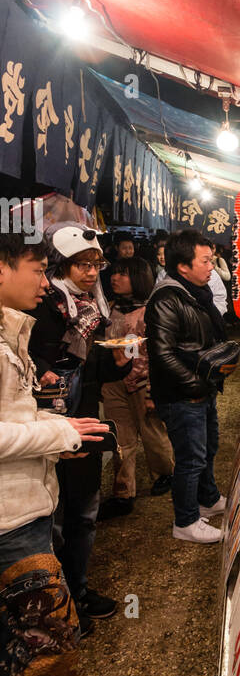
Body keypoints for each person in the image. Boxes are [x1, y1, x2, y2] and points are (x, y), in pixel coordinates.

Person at [0, 230, 108, 676]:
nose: (46, 282)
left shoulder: (11, 332)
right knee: (36, 627)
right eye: (38, 271)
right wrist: (55, 431)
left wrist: (47, 416)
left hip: (24, 501)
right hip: (8, 515)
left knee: (32, 626)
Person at [28, 225, 131, 629]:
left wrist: (118, 361)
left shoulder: (89, 307)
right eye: (80, 264)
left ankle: (80, 590)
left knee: (85, 510)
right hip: (46, 425)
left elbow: (92, 369)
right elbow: (31, 363)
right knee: (51, 514)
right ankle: (58, 606)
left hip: (83, 417)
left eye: (94, 264)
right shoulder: (39, 306)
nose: (91, 272)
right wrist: (44, 371)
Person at [145, 229, 228, 545]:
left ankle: (208, 499)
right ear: (183, 266)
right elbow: (162, 353)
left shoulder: (198, 292)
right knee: (190, 458)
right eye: (205, 260)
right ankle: (186, 520)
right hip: (181, 393)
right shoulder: (167, 299)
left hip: (201, 388)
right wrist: (195, 384)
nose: (211, 266)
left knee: (208, 449)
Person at [98, 257, 174, 517]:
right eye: (114, 273)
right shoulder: (108, 307)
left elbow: (160, 354)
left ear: (139, 279)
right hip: (114, 383)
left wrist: (153, 390)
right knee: (121, 438)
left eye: (123, 274)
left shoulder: (152, 311)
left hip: (142, 383)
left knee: (152, 432)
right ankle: (123, 493)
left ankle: (166, 473)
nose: (114, 278)